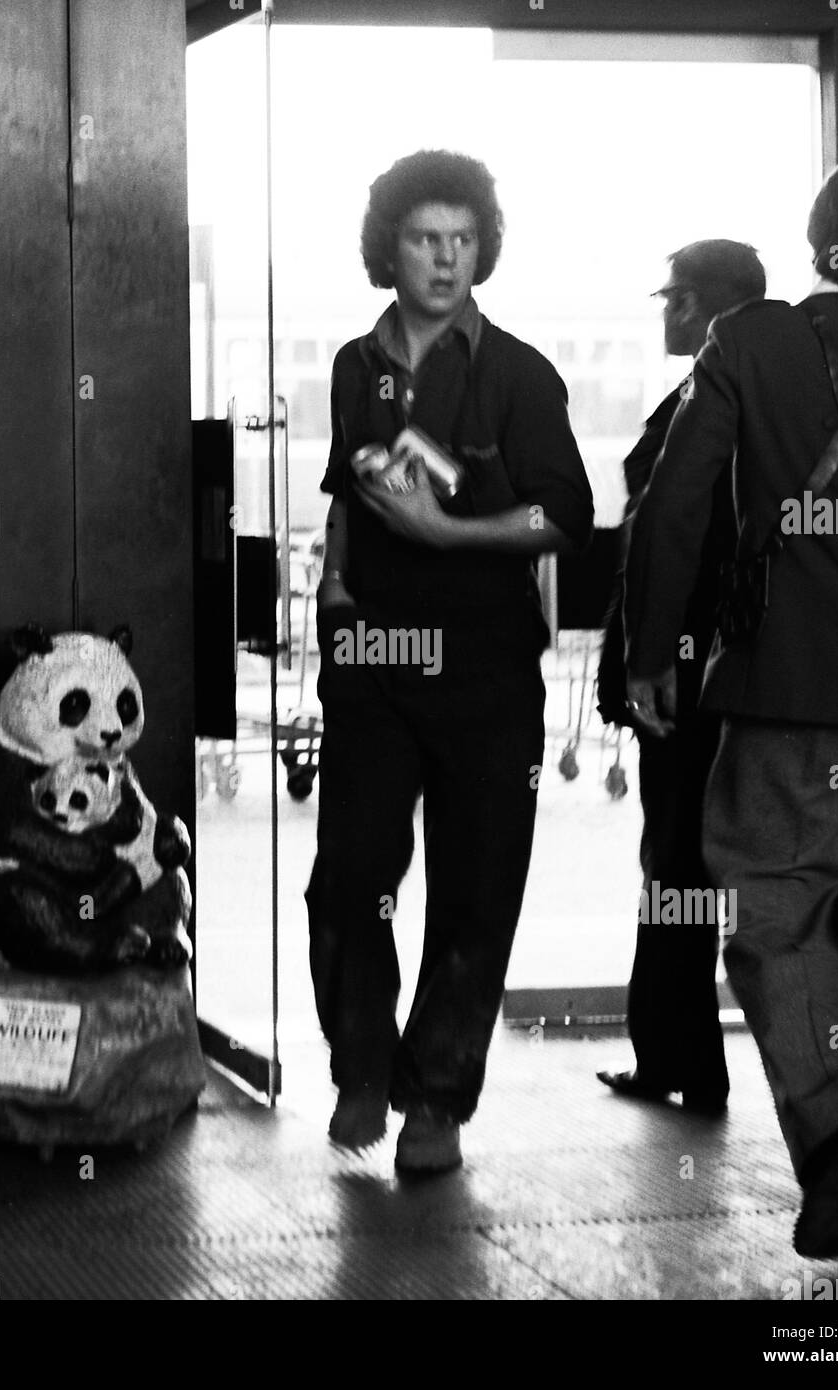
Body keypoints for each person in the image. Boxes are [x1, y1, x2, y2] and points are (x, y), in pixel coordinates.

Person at [624, 149, 838, 1256]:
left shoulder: (749, 345)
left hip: (783, 684)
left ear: (822, 244)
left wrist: (652, 653)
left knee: (773, 908)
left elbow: (671, 506)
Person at [306, 149, 593, 1173]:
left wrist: (445, 535)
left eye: (460, 240)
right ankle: (362, 1070)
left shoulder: (519, 372)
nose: (442, 257)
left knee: (475, 890)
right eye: (424, 238)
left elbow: (565, 515)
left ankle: (435, 1102)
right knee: (348, 876)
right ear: (390, 247)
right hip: (372, 658)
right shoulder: (353, 362)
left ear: (483, 249)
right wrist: (335, 589)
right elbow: (349, 487)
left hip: (484, 666)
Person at [596, 241, 766, 1116]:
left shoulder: (707, 400)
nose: (663, 313)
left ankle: (680, 1058)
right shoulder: (768, 399)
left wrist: (647, 664)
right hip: (727, 673)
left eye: (673, 299)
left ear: (700, 306)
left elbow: (667, 543)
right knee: (689, 868)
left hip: (690, 679)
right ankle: (678, 1053)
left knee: (676, 870)